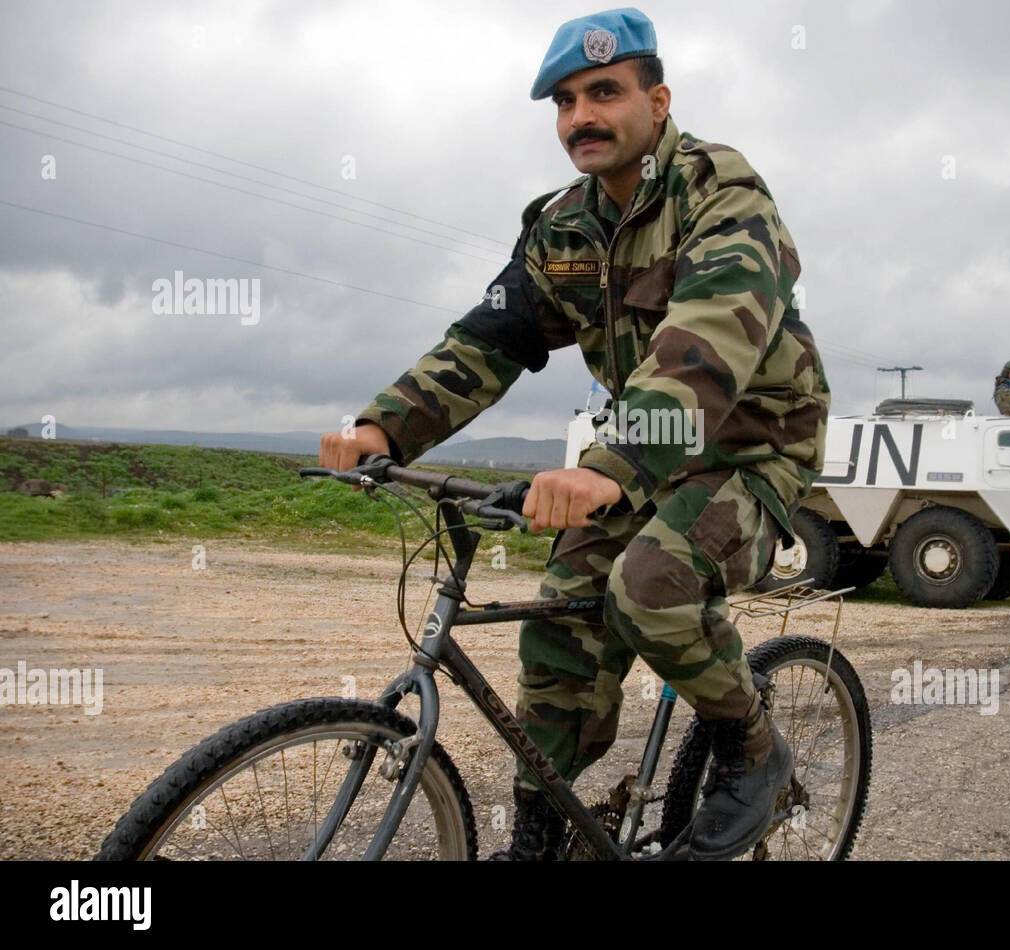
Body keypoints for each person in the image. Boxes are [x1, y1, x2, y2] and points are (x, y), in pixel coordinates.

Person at [318, 7, 829, 861]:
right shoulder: (562, 231)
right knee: (558, 626)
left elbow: (709, 336)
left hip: (752, 451)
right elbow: (488, 341)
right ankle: (540, 835)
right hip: (642, 462)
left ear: (657, 101)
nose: (579, 117)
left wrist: (611, 464)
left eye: (603, 92)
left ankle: (753, 747)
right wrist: (385, 428)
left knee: (651, 586)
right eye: (563, 102)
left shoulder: (722, 193)